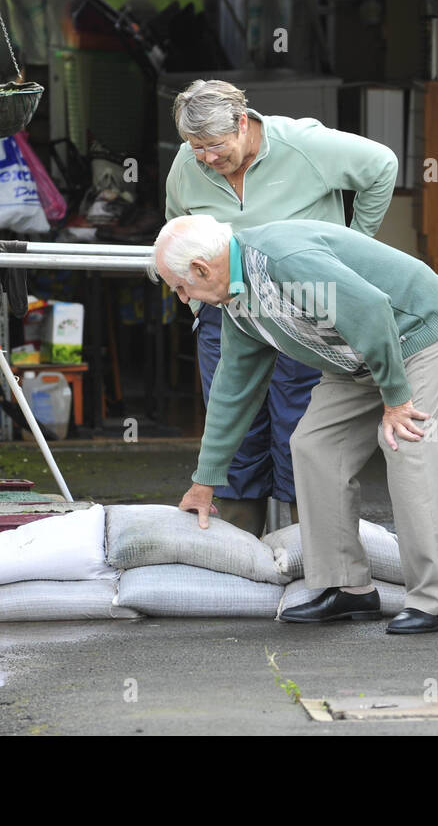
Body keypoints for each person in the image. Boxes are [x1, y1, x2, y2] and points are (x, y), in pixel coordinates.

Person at [151, 214, 438, 634]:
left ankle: (435, 600)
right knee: (313, 444)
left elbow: (371, 310)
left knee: (407, 444)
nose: (184, 298)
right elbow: (234, 387)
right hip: (353, 358)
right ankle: (346, 587)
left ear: (202, 269)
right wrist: (204, 480)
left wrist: (395, 400)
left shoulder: (283, 260)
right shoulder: (237, 301)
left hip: (417, 333)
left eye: (181, 287)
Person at [164, 79, 396, 536]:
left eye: (215, 146)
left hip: (303, 305)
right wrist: (191, 294)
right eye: (196, 148)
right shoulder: (186, 165)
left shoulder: (303, 144)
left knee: (302, 427)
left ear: (243, 123)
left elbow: (382, 166)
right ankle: (238, 554)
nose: (207, 158)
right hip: (227, 305)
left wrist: (352, 248)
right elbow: (178, 226)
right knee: (234, 423)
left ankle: (312, 554)